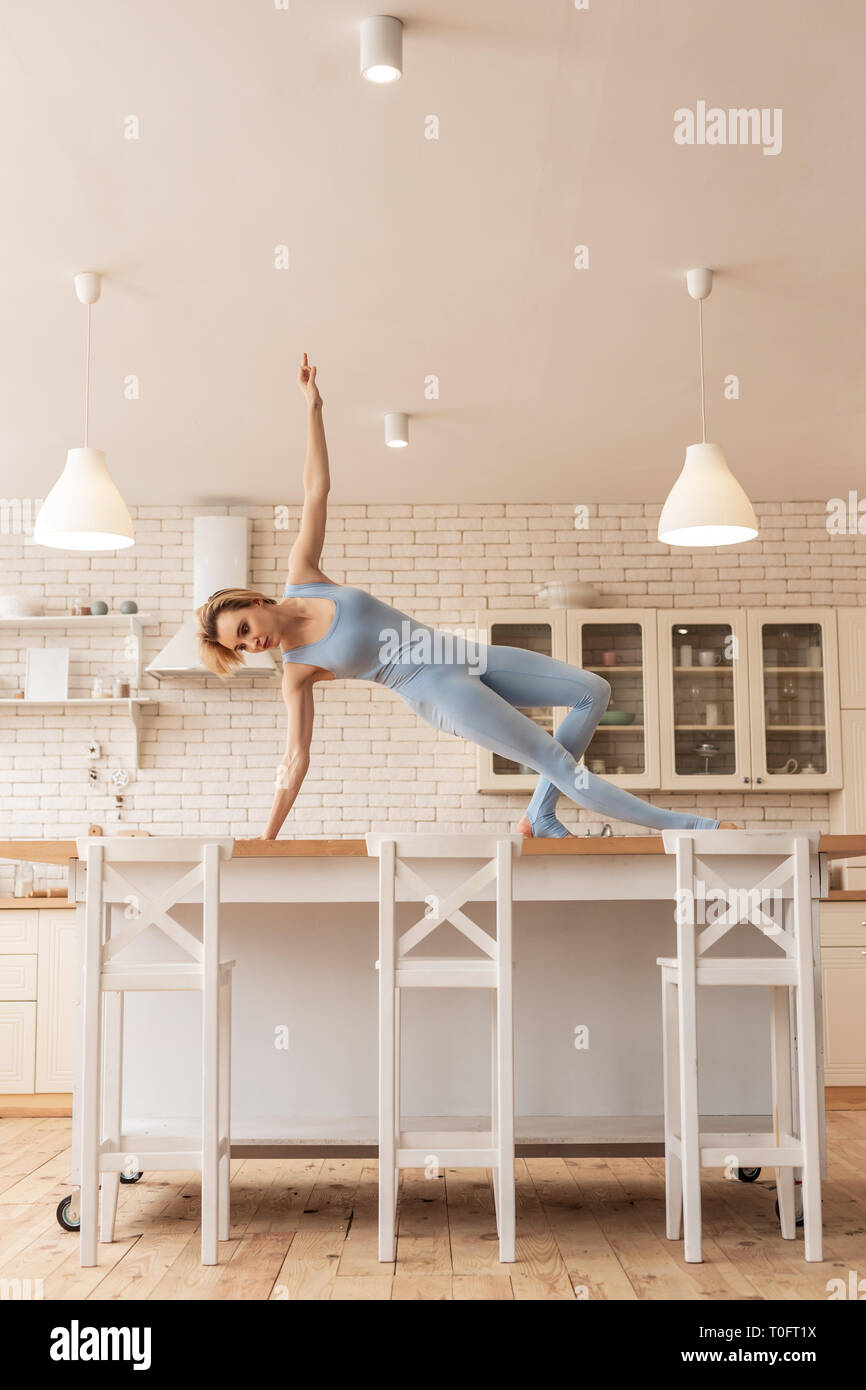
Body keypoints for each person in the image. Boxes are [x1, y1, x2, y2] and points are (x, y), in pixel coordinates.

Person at [196, 355, 738, 840]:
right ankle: (702, 829)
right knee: (557, 761)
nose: (253, 642)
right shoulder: (297, 669)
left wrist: (314, 409)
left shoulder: (304, 575)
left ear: (253, 601)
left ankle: (541, 815)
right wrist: (265, 840)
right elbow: (295, 758)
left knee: (591, 689)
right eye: (242, 648)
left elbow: (316, 490)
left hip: (463, 654)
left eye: (243, 628)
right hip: (436, 690)